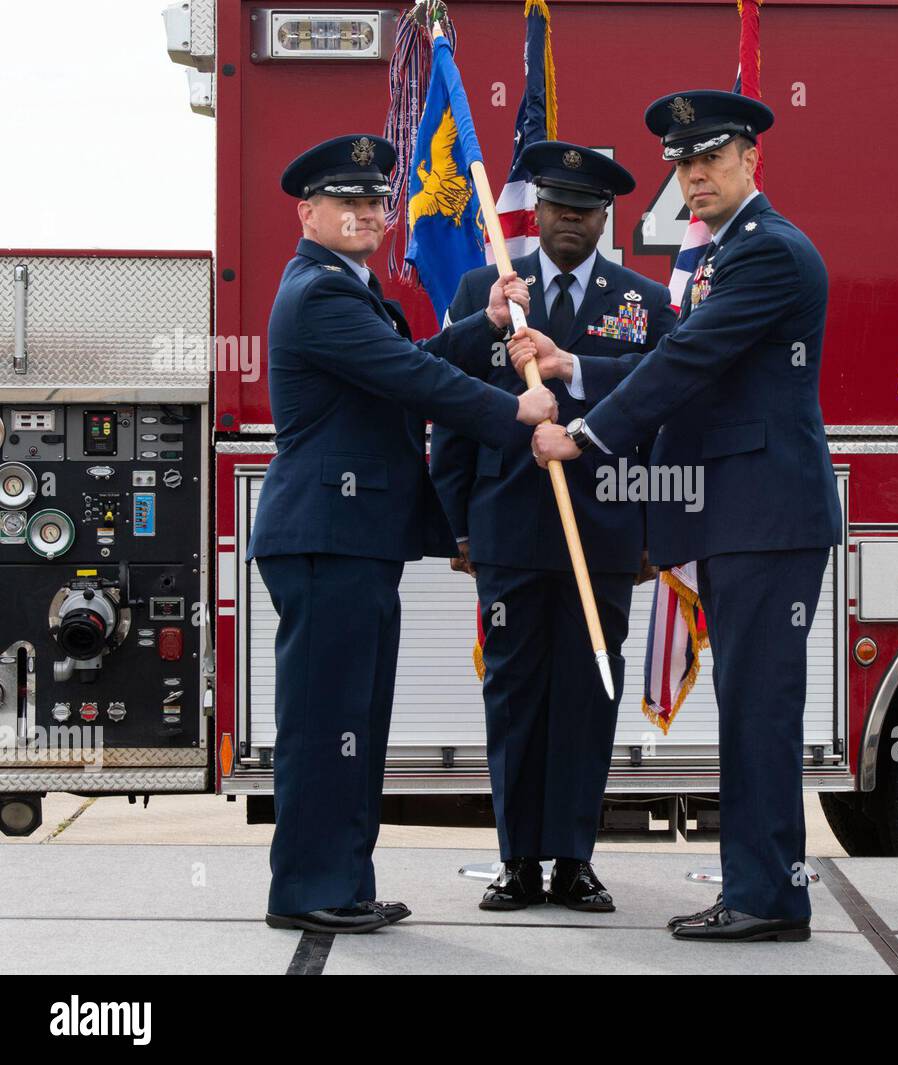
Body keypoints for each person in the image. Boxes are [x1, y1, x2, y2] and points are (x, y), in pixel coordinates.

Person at [513, 92, 842, 942]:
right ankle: (759, 886)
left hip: (764, 516)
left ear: (750, 160)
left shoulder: (767, 254)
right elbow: (670, 359)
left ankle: (768, 896)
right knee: (748, 705)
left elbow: (688, 360)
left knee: (760, 708)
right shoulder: (728, 253)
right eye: (682, 163)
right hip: (740, 517)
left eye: (711, 158)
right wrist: (572, 362)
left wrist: (582, 433)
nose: (694, 176)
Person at [248, 133, 556, 935]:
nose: (362, 213)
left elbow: (403, 356)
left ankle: (342, 879)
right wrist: (509, 410)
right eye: (343, 201)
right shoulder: (320, 293)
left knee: (353, 718)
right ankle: (309, 885)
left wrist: (483, 324)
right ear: (305, 211)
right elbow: (409, 377)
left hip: (351, 533)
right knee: (328, 721)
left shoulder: (343, 287)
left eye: (373, 201)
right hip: (328, 532)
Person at [430, 141, 674, 912]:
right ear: (535, 213)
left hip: (604, 532)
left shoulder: (645, 301)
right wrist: (456, 524)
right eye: (558, 207)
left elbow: (663, 409)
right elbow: (452, 410)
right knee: (513, 694)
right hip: (506, 526)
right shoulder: (487, 288)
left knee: (586, 695)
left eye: (587, 209)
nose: (571, 220)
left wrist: (652, 532)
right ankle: (516, 860)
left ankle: (573, 858)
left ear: (608, 217)